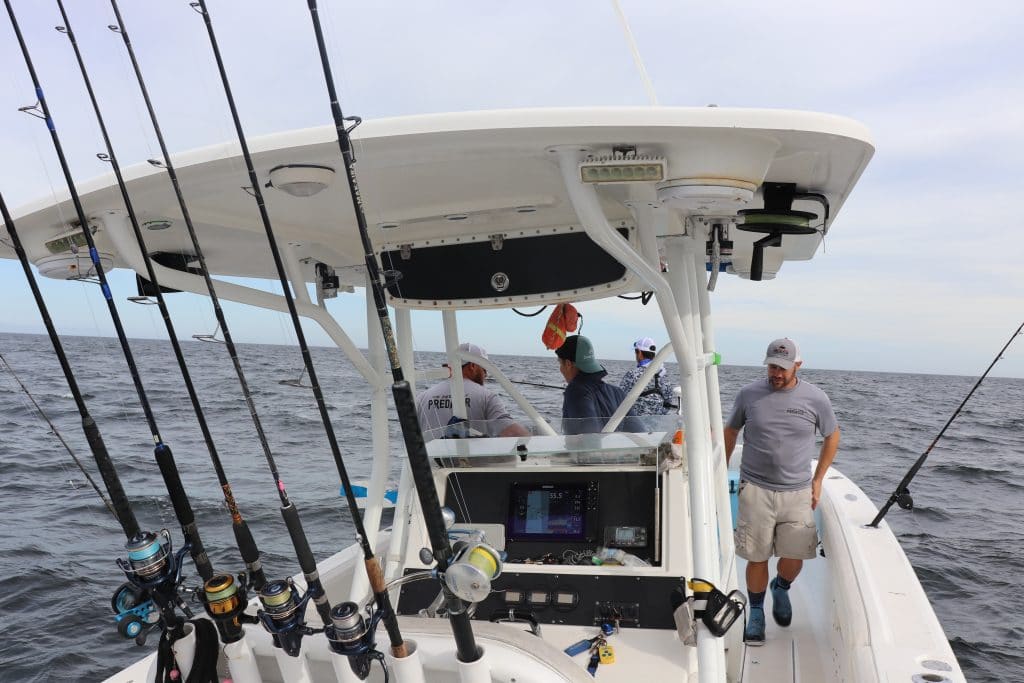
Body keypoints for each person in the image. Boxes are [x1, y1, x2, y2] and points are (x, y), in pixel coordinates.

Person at [723, 338, 840, 645]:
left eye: (782, 368)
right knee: (756, 555)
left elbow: (832, 436)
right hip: (755, 488)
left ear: (797, 366)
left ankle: (782, 587)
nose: (775, 373)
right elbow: (731, 431)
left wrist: (818, 480)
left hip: (798, 491)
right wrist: (718, 468)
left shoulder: (816, 398)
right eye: (772, 366)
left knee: (795, 555)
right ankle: (758, 613)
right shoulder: (749, 394)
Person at [416, 343, 530, 440]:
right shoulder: (486, 396)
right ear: (472, 366)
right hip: (473, 465)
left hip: (429, 465)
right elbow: (513, 433)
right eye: (484, 369)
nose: (486, 374)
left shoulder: (422, 397)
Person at [555, 334, 639, 435]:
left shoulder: (575, 391)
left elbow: (589, 440)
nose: (560, 369)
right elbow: (639, 433)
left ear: (568, 364)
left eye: (560, 363)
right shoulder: (618, 393)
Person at [618, 337, 674, 415]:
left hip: (636, 424)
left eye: (636, 352)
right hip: (657, 424)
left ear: (639, 353)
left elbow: (619, 398)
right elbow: (668, 403)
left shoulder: (632, 375)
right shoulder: (664, 376)